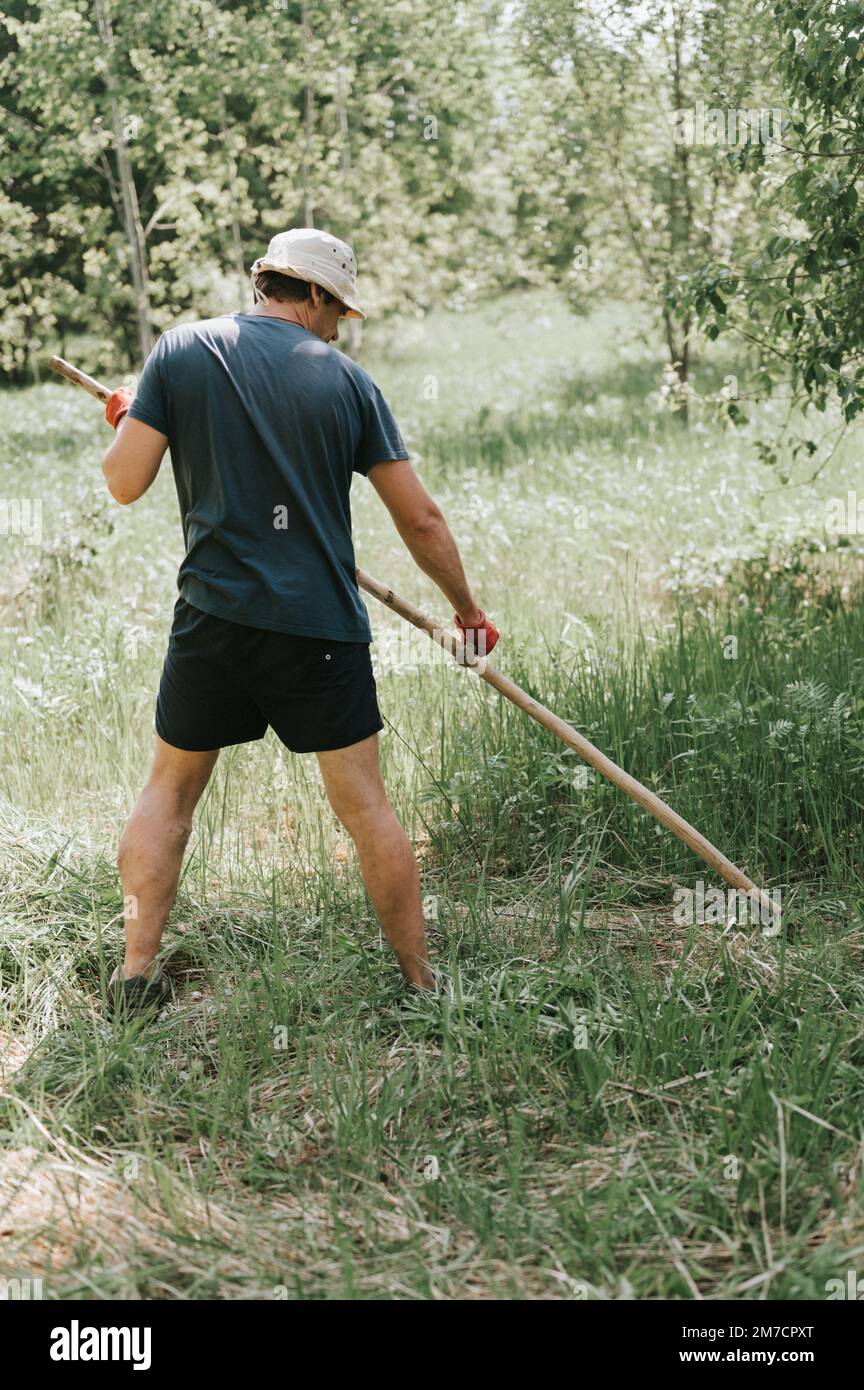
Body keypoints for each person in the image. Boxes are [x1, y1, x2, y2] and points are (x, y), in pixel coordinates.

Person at [100, 227, 499, 1013]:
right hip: (318, 630)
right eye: (336, 310)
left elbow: (123, 483)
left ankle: (135, 975)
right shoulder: (346, 383)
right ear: (311, 294)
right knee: (365, 806)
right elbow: (420, 520)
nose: (337, 326)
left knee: (170, 791)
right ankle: (422, 984)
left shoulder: (181, 352)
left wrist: (132, 416)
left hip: (212, 622)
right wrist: (468, 614)